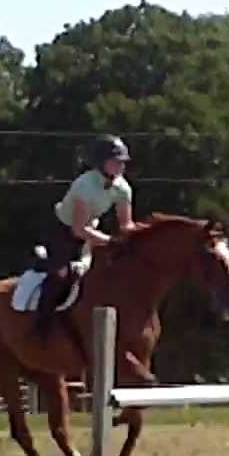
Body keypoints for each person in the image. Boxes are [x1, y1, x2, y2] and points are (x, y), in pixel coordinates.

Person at [33, 134, 139, 337]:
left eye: (123, 162)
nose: (121, 166)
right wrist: (109, 241)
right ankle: (40, 326)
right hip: (63, 232)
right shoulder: (84, 185)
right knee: (60, 276)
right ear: (101, 163)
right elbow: (77, 230)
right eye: (115, 162)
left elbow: (127, 225)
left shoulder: (123, 188)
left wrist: (134, 242)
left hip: (91, 231)